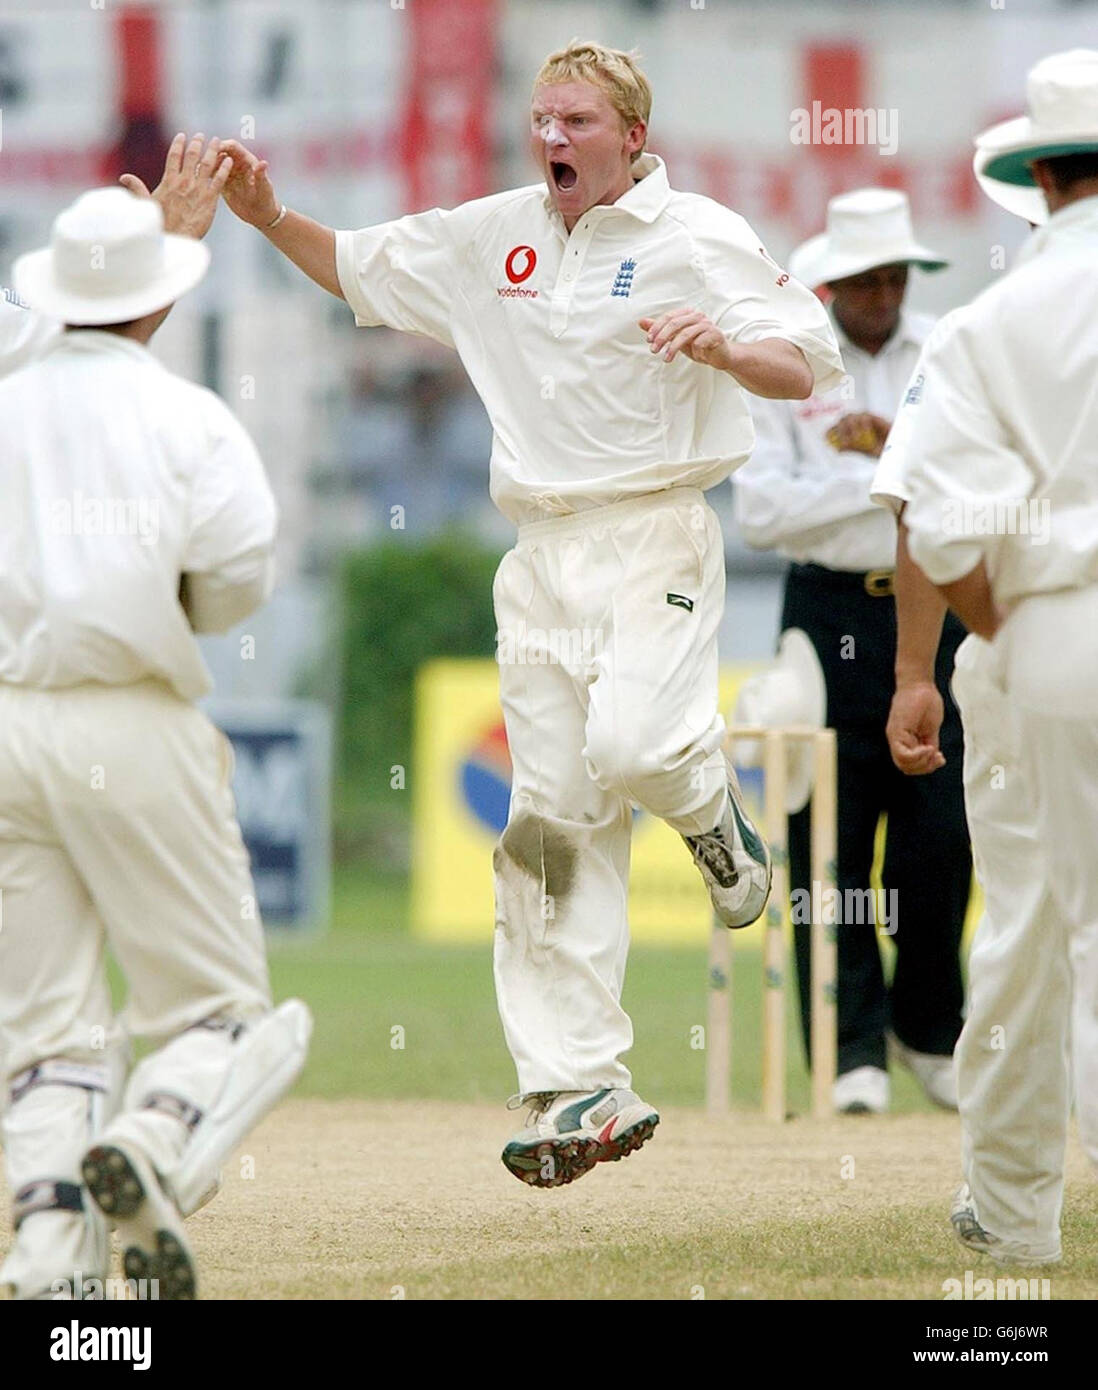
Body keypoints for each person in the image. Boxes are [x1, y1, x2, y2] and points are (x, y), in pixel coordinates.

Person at [217, 39, 842, 1185]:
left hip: (654, 528)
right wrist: (267, 218)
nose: (552, 138)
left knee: (638, 745)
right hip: (539, 553)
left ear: (633, 137)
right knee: (549, 821)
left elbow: (807, 364)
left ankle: (716, 825)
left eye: (579, 123)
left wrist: (728, 346)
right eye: (543, 118)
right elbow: (356, 267)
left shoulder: (694, 236)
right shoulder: (489, 233)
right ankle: (579, 1084)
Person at [0, 184, 311, 1301]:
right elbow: (232, 585)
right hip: (129, 713)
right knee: (230, 1020)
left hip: (7, 726)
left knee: (47, 1029)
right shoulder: (188, 418)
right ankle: (152, 1140)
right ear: (162, 299)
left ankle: (46, 1262)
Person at [885, 47, 1098, 1264]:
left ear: (1041, 173)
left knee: (1033, 926)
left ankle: (1017, 1217)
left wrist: (998, 641)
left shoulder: (982, 320)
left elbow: (932, 517)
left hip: (1047, 641)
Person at [733, 190, 971, 1114]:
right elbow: (761, 511)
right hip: (826, 609)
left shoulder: (947, 350)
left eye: (893, 276)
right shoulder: (785, 359)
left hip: (936, 607)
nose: (881, 292)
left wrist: (877, 470)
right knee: (827, 839)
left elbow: (963, 483)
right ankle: (849, 1048)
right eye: (863, 278)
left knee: (941, 836)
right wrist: (895, 481)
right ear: (830, 283)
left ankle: (928, 1025)